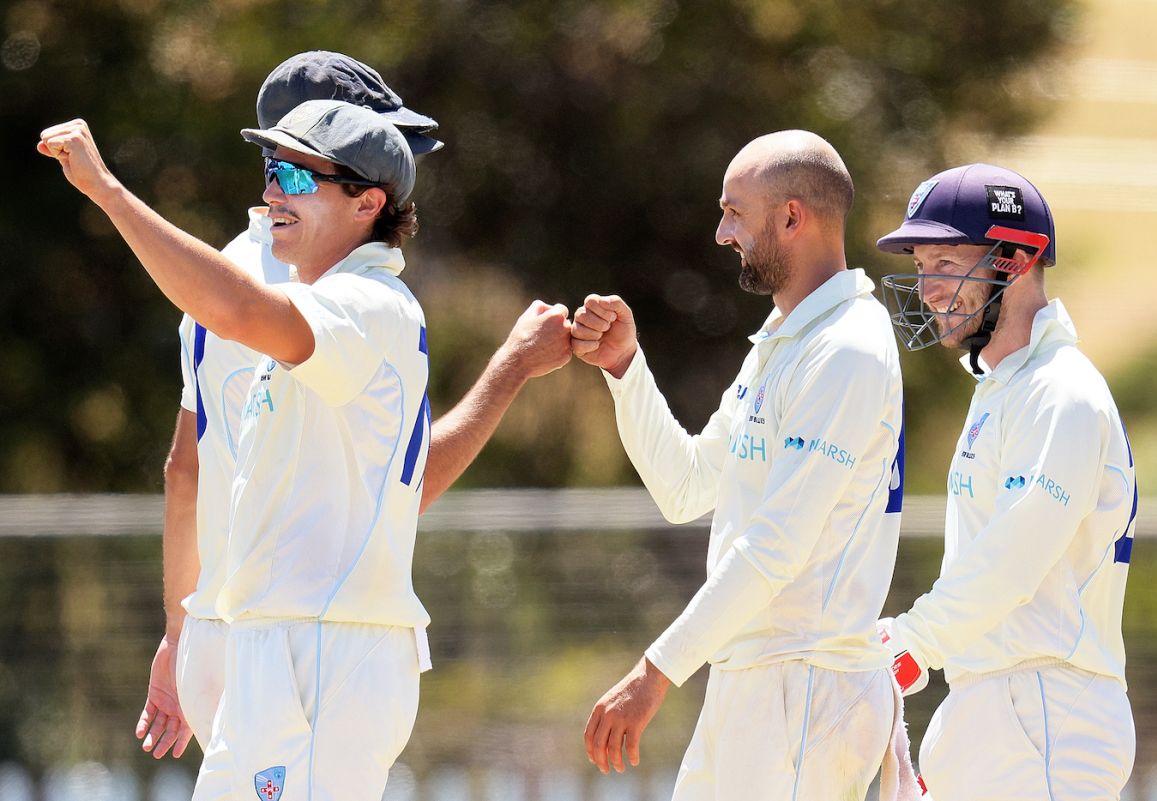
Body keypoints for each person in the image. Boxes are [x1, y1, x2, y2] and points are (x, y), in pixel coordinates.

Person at [38, 99, 562, 800]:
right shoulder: (334, 300)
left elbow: (238, 312)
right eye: (270, 169)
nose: (271, 191)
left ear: (366, 203)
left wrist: (109, 191)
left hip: (324, 648)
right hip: (277, 646)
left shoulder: (367, 303)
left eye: (295, 173)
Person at [571, 130, 908, 800]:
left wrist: (655, 670)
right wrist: (625, 369)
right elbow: (686, 484)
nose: (724, 233)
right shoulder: (785, 343)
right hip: (754, 681)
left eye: (734, 212)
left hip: (806, 689)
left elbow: (776, 547)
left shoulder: (847, 349)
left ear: (791, 216)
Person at [874, 163, 1137, 800]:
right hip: (998, 709)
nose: (930, 288)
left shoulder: (1059, 392)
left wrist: (911, 641)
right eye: (921, 265)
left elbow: (1014, 560)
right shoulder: (1005, 387)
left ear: (1017, 259)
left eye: (947, 263)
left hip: (1047, 714)